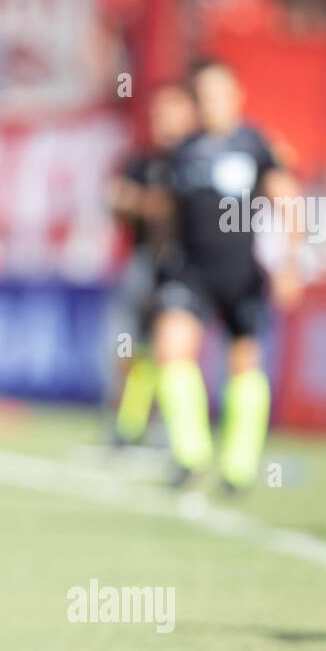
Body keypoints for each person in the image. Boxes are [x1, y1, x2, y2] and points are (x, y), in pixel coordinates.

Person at [152, 60, 303, 490]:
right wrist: (162, 253)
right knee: (171, 349)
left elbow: (287, 201)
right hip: (191, 270)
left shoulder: (257, 144)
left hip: (240, 272)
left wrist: (290, 263)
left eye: (218, 93)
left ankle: (238, 466)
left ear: (236, 95)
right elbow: (167, 209)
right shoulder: (182, 151)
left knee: (243, 364)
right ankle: (190, 453)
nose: (211, 103)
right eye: (203, 95)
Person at [107, 82, 199, 447]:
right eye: (157, 113)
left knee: (173, 351)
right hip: (144, 263)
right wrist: (151, 204)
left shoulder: (195, 161)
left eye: (170, 112)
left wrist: (143, 203)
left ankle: (170, 433)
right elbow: (116, 198)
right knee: (131, 348)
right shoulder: (143, 161)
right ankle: (127, 427)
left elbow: (171, 210)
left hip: (185, 268)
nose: (161, 121)